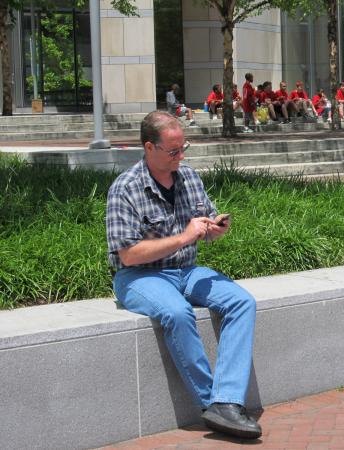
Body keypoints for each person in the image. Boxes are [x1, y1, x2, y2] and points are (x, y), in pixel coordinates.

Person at [106, 111, 262, 440]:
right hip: (139, 276)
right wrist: (184, 237)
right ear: (150, 147)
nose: (181, 156)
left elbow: (202, 226)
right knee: (176, 312)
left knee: (242, 302)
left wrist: (215, 229)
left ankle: (227, 401)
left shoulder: (188, 176)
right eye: (174, 151)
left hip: (186, 270)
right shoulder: (125, 189)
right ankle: (212, 405)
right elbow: (128, 254)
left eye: (183, 148)